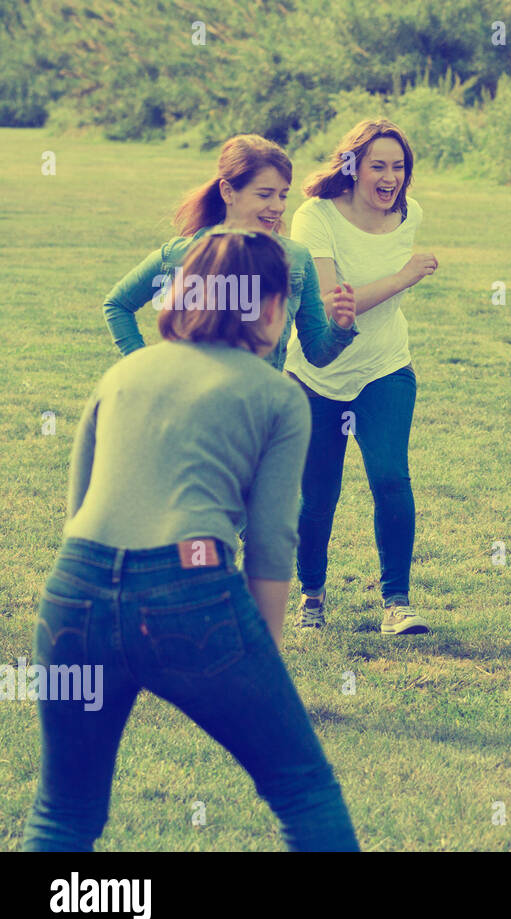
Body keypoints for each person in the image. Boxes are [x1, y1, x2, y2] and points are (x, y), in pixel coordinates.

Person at [24, 231, 361, 851]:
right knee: (304, 788)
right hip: (190, 592)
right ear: (267, 306)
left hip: (74, 597)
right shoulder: (279, 395)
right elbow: (270, 542)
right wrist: (266, 655)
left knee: (62, 814)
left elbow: (79, 510)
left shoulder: (124, 372)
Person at [288, 118, 440, 636]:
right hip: (317, 371)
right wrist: (405, 277)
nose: (391, 177)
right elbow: (334, 308)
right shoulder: (315, 217)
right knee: (318, 492)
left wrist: (397, 280)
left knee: (391, 477)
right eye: (379, 165)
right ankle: (312, 596)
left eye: (399, 167)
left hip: (386, 367)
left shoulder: (408, 214)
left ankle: (396, 601)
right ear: (353, 166)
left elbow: (366, 299)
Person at [103, 134, 358, 370]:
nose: (277, 207)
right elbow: (117, 305)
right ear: (227, 192)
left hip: (258, 409)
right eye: (264, 195)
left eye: (283, 195)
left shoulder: (297, 259)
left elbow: (317, 353)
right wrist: (143, 368)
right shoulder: (183, 254)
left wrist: (340, 326)